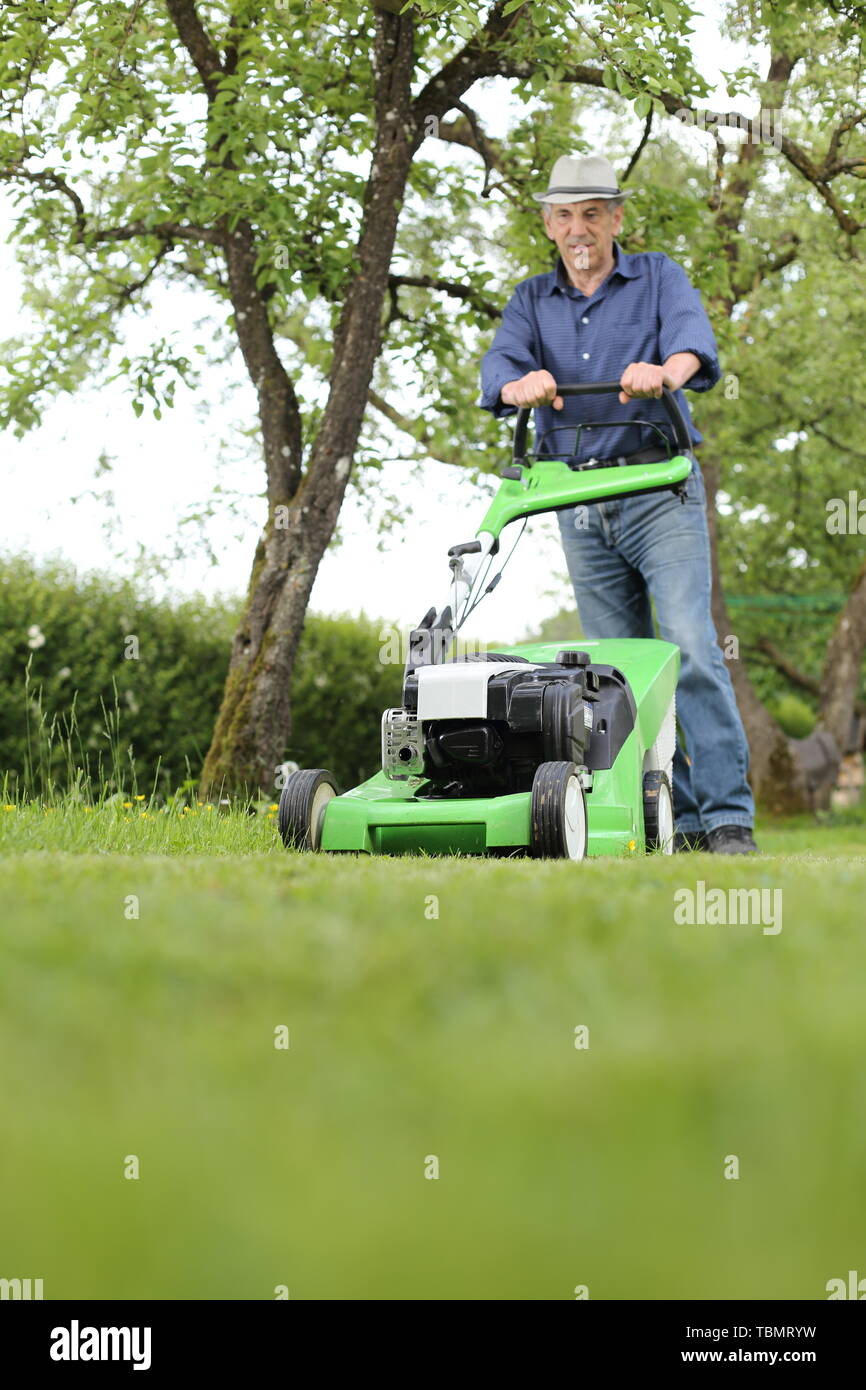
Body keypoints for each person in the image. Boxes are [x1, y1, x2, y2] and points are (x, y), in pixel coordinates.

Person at [480, 152, 757, 854]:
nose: (580, 229)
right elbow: (501, 371)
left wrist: (665, 372)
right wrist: (522, 387)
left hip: (657, 489)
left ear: (616, 218)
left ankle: (724, 819)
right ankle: (672, 820)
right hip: (579, 501)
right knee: (618, 676)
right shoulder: (530, 302)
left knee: (690, 646)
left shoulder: (658, 275)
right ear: (549, 224)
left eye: (593, 214)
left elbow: (694, 342)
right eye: (566, 215)